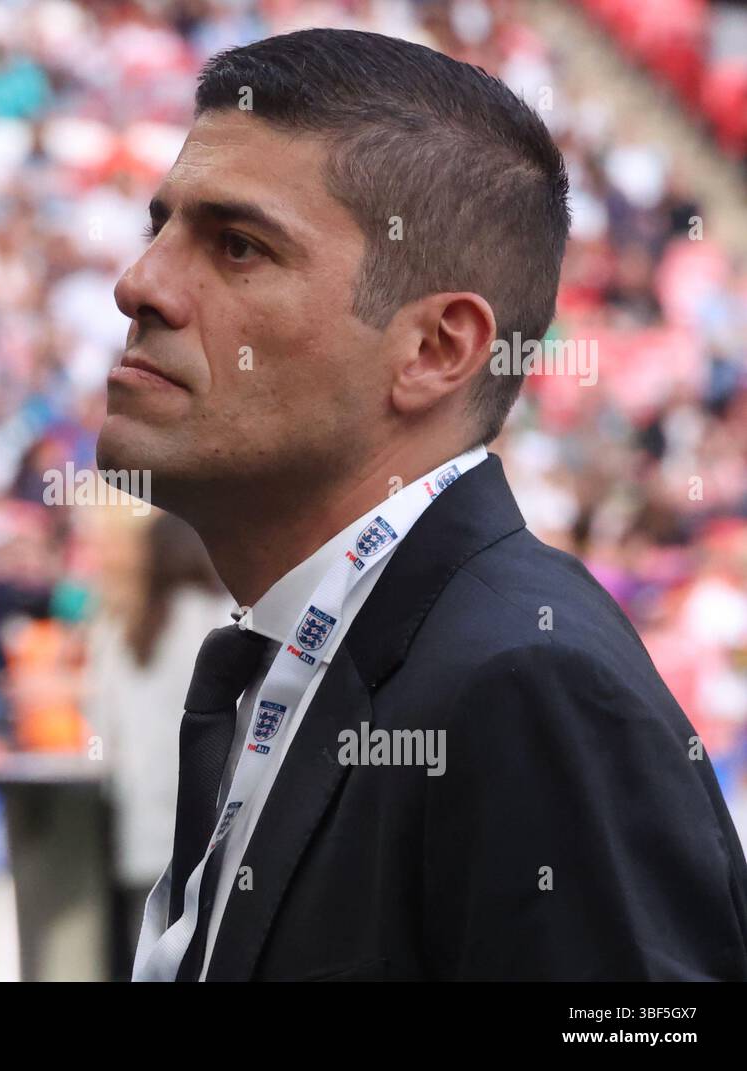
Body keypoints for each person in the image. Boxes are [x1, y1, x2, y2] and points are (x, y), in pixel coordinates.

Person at [96, 28, 747, 981]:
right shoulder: (327, 645)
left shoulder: (529, 685)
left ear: (437, 349)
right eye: (158, 227)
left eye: (237, 245)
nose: (139, 283)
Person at [85, 512, 233, 979]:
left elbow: (99, 729)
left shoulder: (120, 629)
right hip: (210, 826)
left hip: (142, 827)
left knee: (146, 956)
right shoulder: (223, 620)